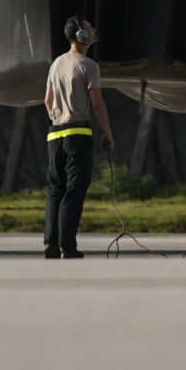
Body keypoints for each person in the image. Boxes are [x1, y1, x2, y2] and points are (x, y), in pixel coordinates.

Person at [42, 16, 116, 259]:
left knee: (55, 188)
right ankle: (68, 245)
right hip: (77, 135)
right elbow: (97, 104)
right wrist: (107, 132)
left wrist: (58, 118)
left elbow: (47, 100)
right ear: (82, 36)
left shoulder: (56, 64)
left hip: (55, 133)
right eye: (89, 28)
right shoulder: (89, 65)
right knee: (75, 189)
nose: (93, 29)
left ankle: (51, 243)